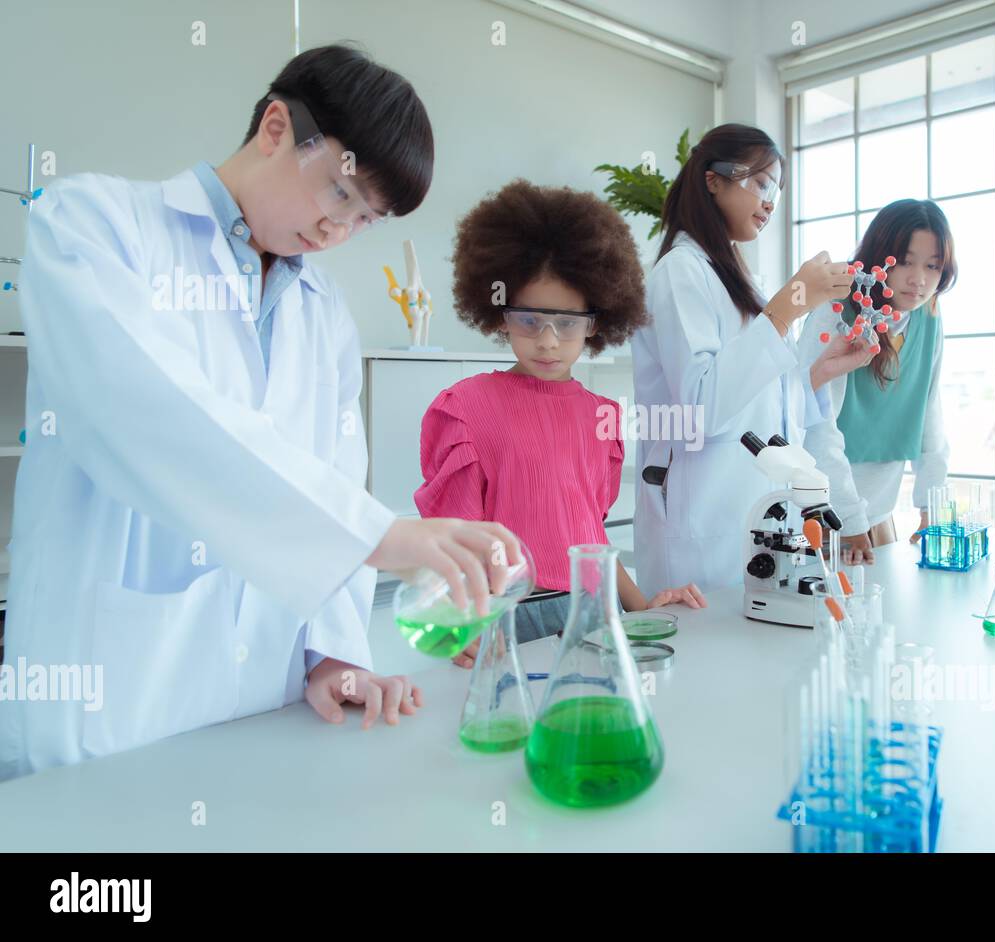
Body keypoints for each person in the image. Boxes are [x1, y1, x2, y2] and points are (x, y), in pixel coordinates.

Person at [0, 45, 520, 779]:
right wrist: (382, 535)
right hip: (109, 710)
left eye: (365, 220)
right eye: (341, 195)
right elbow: (147, 413)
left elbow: (332, 473)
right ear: (277, 126)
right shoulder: (94, 225)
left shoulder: (324, 315)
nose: (340, 232)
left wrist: (332, 655)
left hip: (264, 716)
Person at [415, 180, 706, 659]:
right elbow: (450, 547)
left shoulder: (601, 418)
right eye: (529, 320)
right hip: (507, 620)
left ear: (596, 322)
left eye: (567, 323)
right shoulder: (465, 410)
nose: (548, 341)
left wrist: (643, 609)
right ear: (500, 314)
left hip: (597, 613)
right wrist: (453, 625)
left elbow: (589, 537)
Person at [632, 124, 875, 596]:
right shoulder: (680, 273)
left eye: (776, 192)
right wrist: (792, 304)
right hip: (699, 527)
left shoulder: (736, 277)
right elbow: (701, 409)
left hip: (748, 517)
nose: (770, 203)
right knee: (705, 659)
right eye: (761, 183)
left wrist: (824, 369)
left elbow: (768, 414)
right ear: (713, 179)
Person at [798, 199, 957, 564]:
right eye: (904, 261)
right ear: (879, 257)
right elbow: (816, 426)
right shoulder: (838, 310)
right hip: (823, 514)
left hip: (877, 515)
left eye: (933, 266)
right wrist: (849, 519)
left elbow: (929, 412)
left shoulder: (928, 316)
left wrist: (932, 504)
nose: (919, 279)